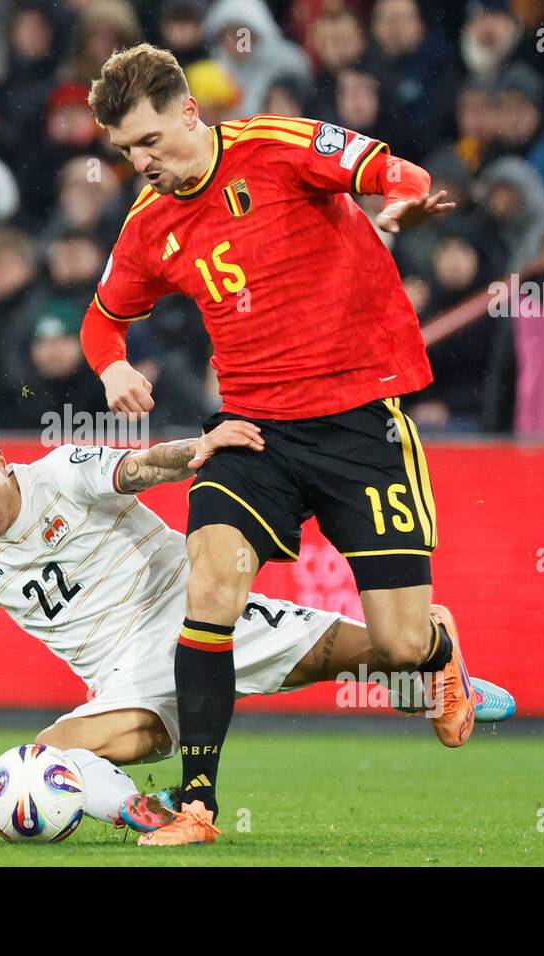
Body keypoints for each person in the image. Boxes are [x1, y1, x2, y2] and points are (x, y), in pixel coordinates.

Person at [79, 44, 470, 845]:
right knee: (211, 591)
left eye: (150, 141)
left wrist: (404, 202)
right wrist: (112, 365)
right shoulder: (149, 227)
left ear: (190, 111)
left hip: (360, 421)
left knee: (396, 641)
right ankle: (198, 804)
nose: (141, 163)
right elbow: (101, 319)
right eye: (126, 152)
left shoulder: (277, 148)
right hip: (251, 431)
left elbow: (391, 171)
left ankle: (439, 650)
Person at [0, 421, 515, 841]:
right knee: (49, 756)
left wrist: (198, 447)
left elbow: (138, 466)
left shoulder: (63, 474)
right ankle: (152, 811)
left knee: (362, 653)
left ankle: (430, 658)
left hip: (185, 607)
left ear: (1, 462)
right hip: (123, 680)